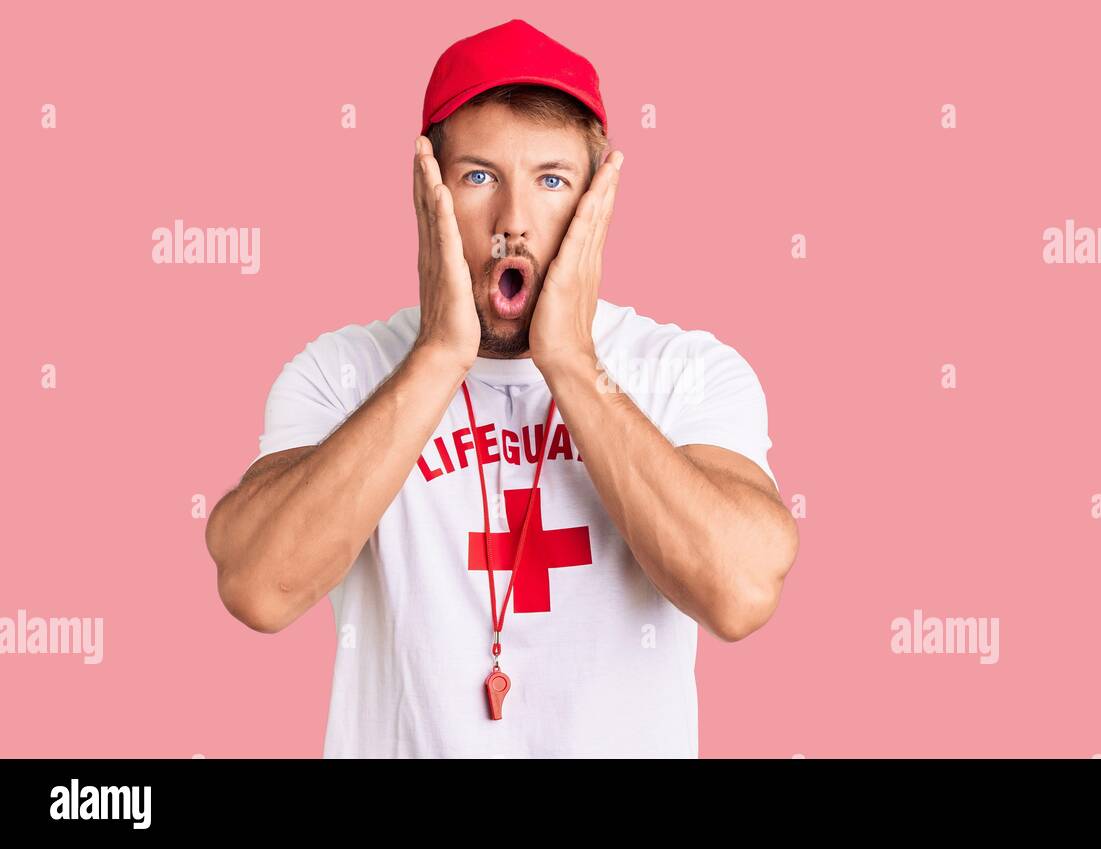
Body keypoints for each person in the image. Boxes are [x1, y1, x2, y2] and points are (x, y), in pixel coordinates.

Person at [205, 18, 798, 757]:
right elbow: (258, 585)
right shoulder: (341, 372)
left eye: (552, 180)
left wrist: (573, 364)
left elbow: (740, 592)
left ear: (593, 204)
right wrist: (437, 355)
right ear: (430, 193)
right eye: (479, 176)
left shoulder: (685, 370)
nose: (513, 222)